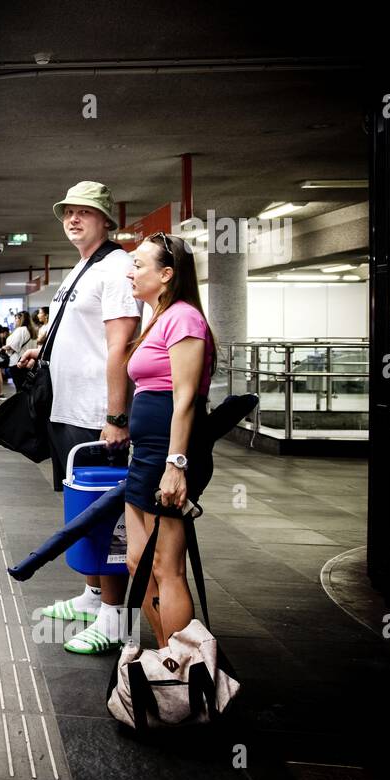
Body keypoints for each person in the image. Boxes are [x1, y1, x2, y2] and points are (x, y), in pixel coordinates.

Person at [16, 181, 141, 654]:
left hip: (96, 413)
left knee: (104, 518)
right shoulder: (80, 268)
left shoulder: (117, 267)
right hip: (67, 408)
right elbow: (67, 329)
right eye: (67, 212)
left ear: (106, 220)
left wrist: (116, 414)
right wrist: (37, 348)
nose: (73, 219)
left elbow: (120, 346)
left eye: (84, 213)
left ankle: (114, 621)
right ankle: (92, 598)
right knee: (80, 511)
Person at [122, 232, 216, 650]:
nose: (131, 271)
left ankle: (182, 668)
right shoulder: (159, 317)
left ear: (166, 273)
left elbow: (185, 398)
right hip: (146, 453)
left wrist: (175, 466)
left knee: (167, 567)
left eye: (139, 265)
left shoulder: (184, 318)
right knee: (137, 562)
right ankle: (164, 653)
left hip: (169, 455)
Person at [4, 310, 38, 391]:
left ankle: (21, 403)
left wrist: (4, 348)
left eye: (16, 318)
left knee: (19, 387)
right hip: (29, 362)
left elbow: (13, 346)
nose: (15, 321)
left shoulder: (20, 330)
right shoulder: (32, 331)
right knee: (26, 387)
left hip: (17, 361)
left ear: (20, 319)